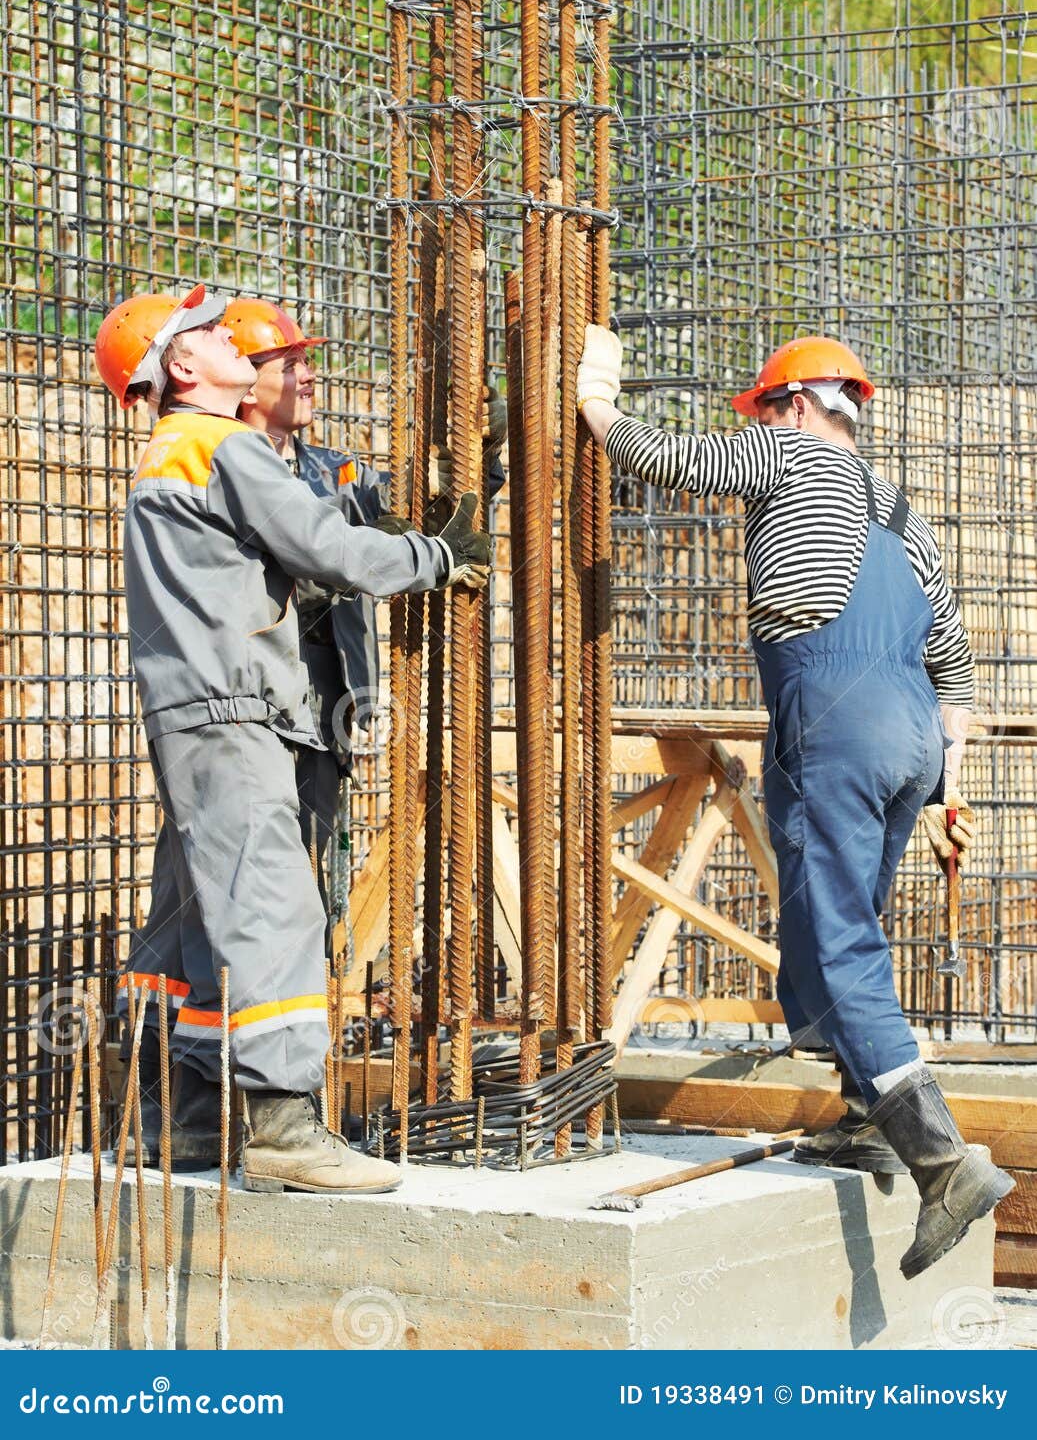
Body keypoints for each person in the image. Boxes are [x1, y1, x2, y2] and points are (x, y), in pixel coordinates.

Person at [576, 326, 1014, 1278]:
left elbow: (665, 458)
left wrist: (597, 400)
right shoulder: (901, 510)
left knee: (836, 934)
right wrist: (939, 778)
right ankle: (865, 1118)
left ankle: (942, 1164)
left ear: (799, 405)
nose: (761, 420)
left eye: (766, 404)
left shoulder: (789, 449)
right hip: (911, 732)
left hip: (835, 711)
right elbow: (955, 664)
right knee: (828, 930)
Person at [95, 283, 490, 1194]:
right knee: (272, 904)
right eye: (208, 334)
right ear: (182, 366)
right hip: (234, 711)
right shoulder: (216, 443)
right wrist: (438, 557)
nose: (230, 338)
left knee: (202, 911)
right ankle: (281, 1125)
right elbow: (330, 549)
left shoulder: (171, 456)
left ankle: (180, 1117)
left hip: (204, 708)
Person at [221, 296, 507, 929]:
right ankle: (230, 1011)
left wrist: (475, 458)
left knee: (309, 862)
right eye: (290, 363)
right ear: (243, 381)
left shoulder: (333, 471)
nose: (308, 375)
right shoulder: (229, 469)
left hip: (326, 700)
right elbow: (322, 550)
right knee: (256, 867)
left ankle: (302, 1003)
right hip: (256, 693)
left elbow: (414, 503)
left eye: (306, 361)